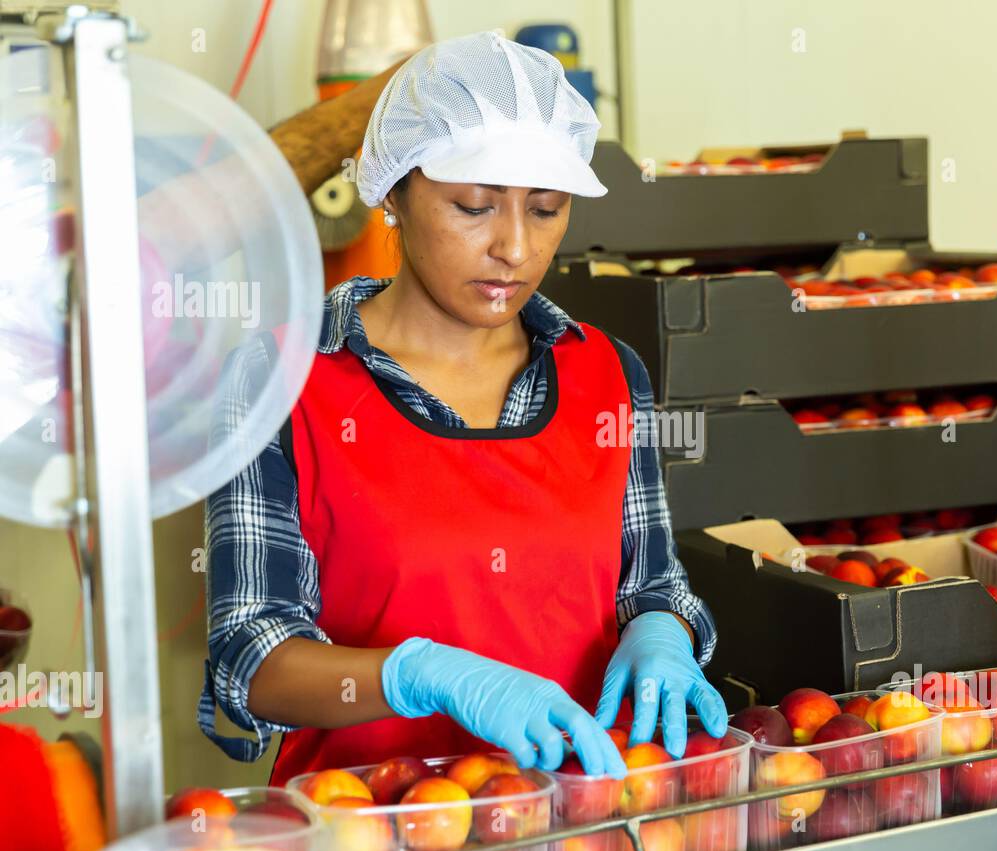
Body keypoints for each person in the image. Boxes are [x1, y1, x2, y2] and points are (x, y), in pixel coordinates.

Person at [199, 32, 726, 786]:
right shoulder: (281, 379)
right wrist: (419, 675)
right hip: (373, 825)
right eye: (474, 206)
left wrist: (662, 628)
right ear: (390, 191)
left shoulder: (609, 373)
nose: (513, 246)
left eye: (546, 210)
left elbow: (651, 583)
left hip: (577, 818)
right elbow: (251, 660)